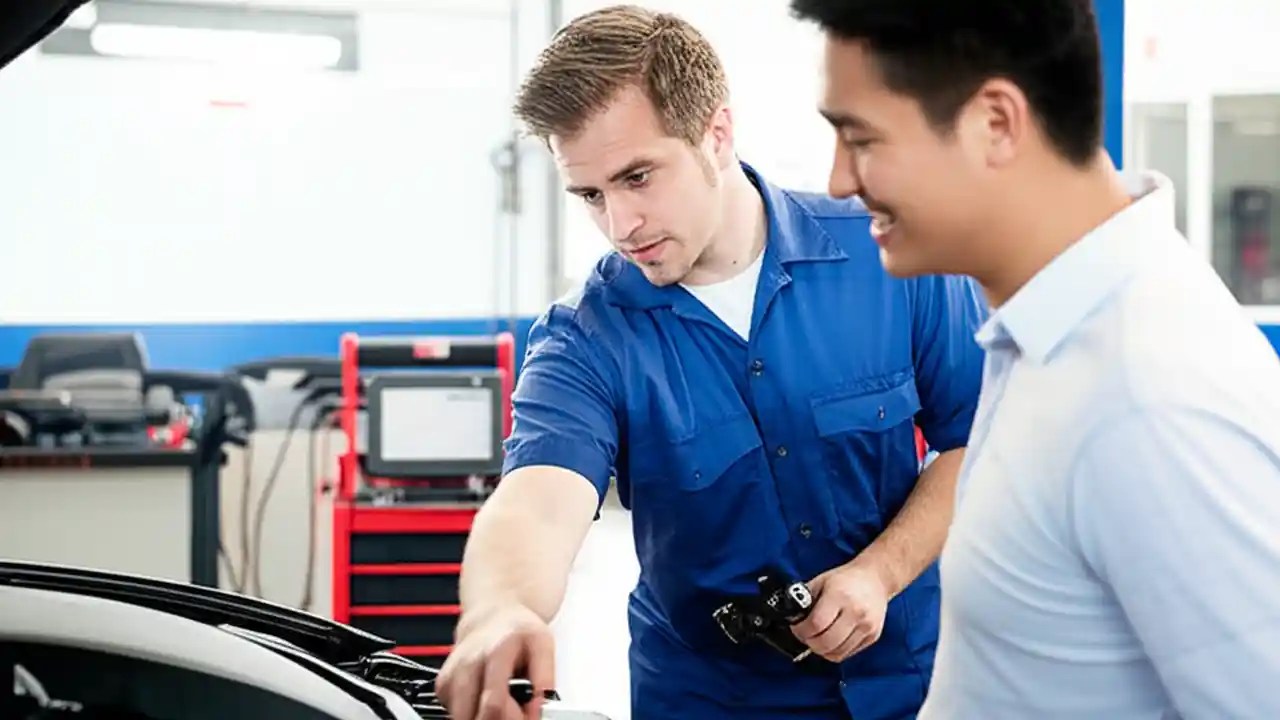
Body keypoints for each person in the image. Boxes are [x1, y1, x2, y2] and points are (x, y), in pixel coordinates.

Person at [435, 5, 986, 720]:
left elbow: (976, 438)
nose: (618, 223)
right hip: (711, 700)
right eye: (591, 195)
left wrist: (880, 575)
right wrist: (499, 612)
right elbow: (539, 501)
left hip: (913, 686)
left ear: (716, 134)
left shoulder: (889, 256)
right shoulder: (584, 338)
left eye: (638, 177)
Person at [791, 1, 1280, 718]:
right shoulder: (1048, 336)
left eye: (861, 139)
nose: (838, 181)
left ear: (996, 123)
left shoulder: (1148, 398)